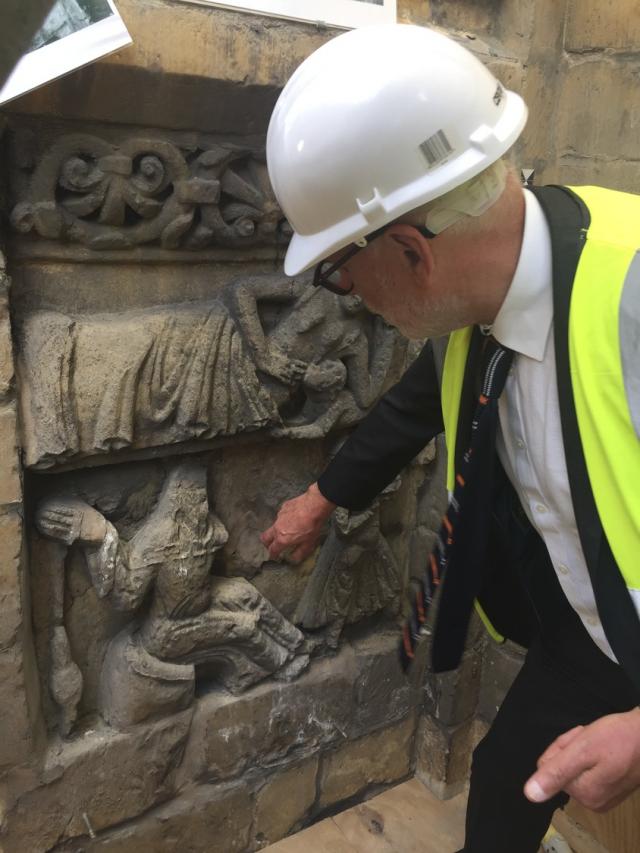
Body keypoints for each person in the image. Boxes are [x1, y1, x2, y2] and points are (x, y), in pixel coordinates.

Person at [259, 23, 640, 853]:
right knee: (508, 781)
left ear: (408, 251)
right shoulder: (483, 297)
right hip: (591, 631)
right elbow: (415, 403)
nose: (354, 300)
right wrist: (324, 498)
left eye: (343, 275)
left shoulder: (630, 296)